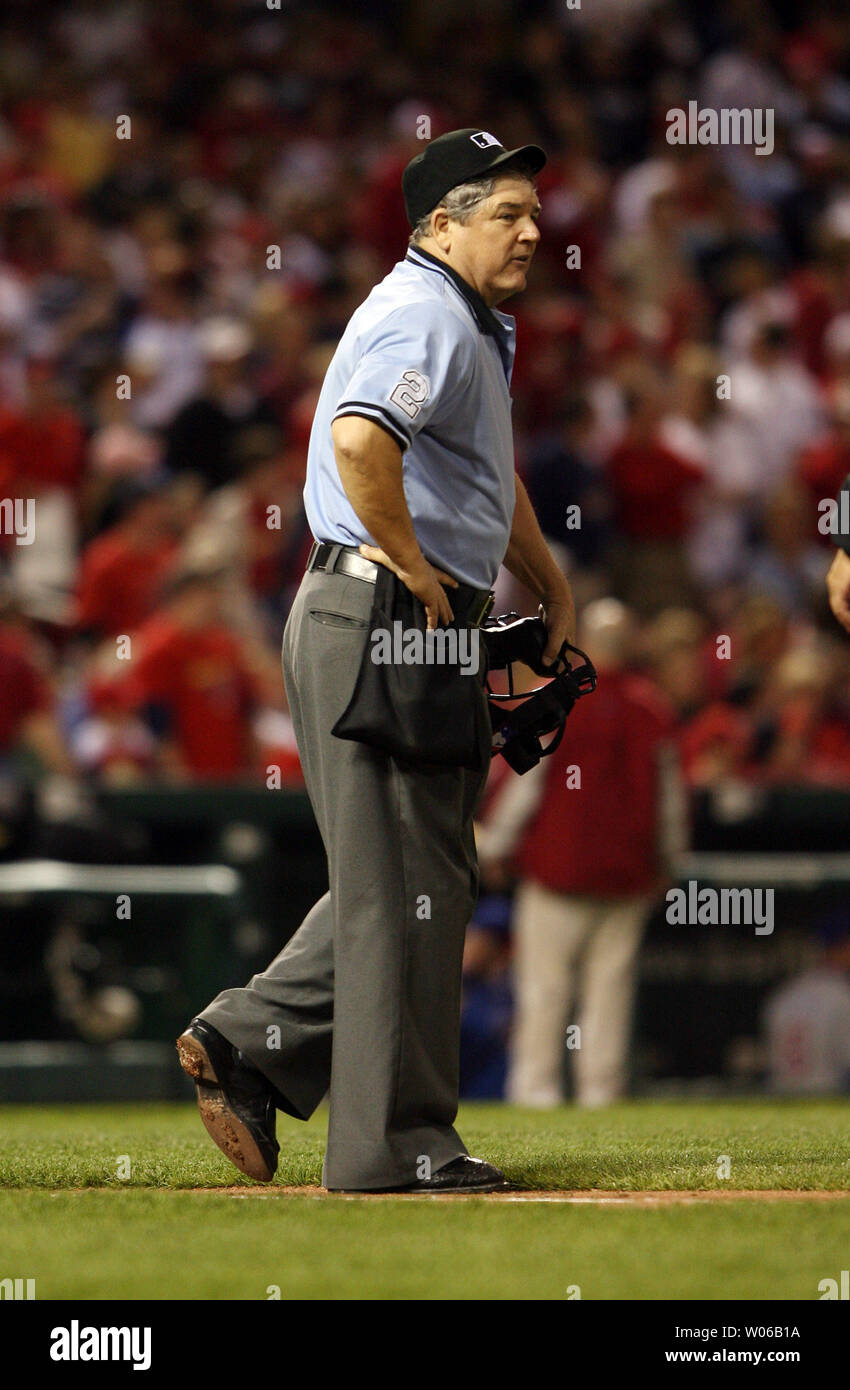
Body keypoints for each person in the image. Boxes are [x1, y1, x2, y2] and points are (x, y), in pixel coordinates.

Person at [176, 128, 576, 1192]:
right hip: (379, 606)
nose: (533, 230)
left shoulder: (465, 322)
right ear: (438, 224)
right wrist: (414, 564)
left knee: (419, 870)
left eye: (533, 211)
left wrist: (544, 576)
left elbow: (487, 474)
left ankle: (249, 1040)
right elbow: (361, 445)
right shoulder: (419, 312)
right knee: (400, 886)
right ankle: (394, 1146)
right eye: (506, 211)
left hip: (401, 606)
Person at [477, 599, 684, 1108]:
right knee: (608, 996)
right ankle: (600, 1095)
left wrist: (496, 846)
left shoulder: (564, 697)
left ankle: (535, 1094)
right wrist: (668, 863)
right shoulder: (652, 707)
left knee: (544, 991)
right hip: (627, 877)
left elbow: (527, 782)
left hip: (556, 873)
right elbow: (671, 803)